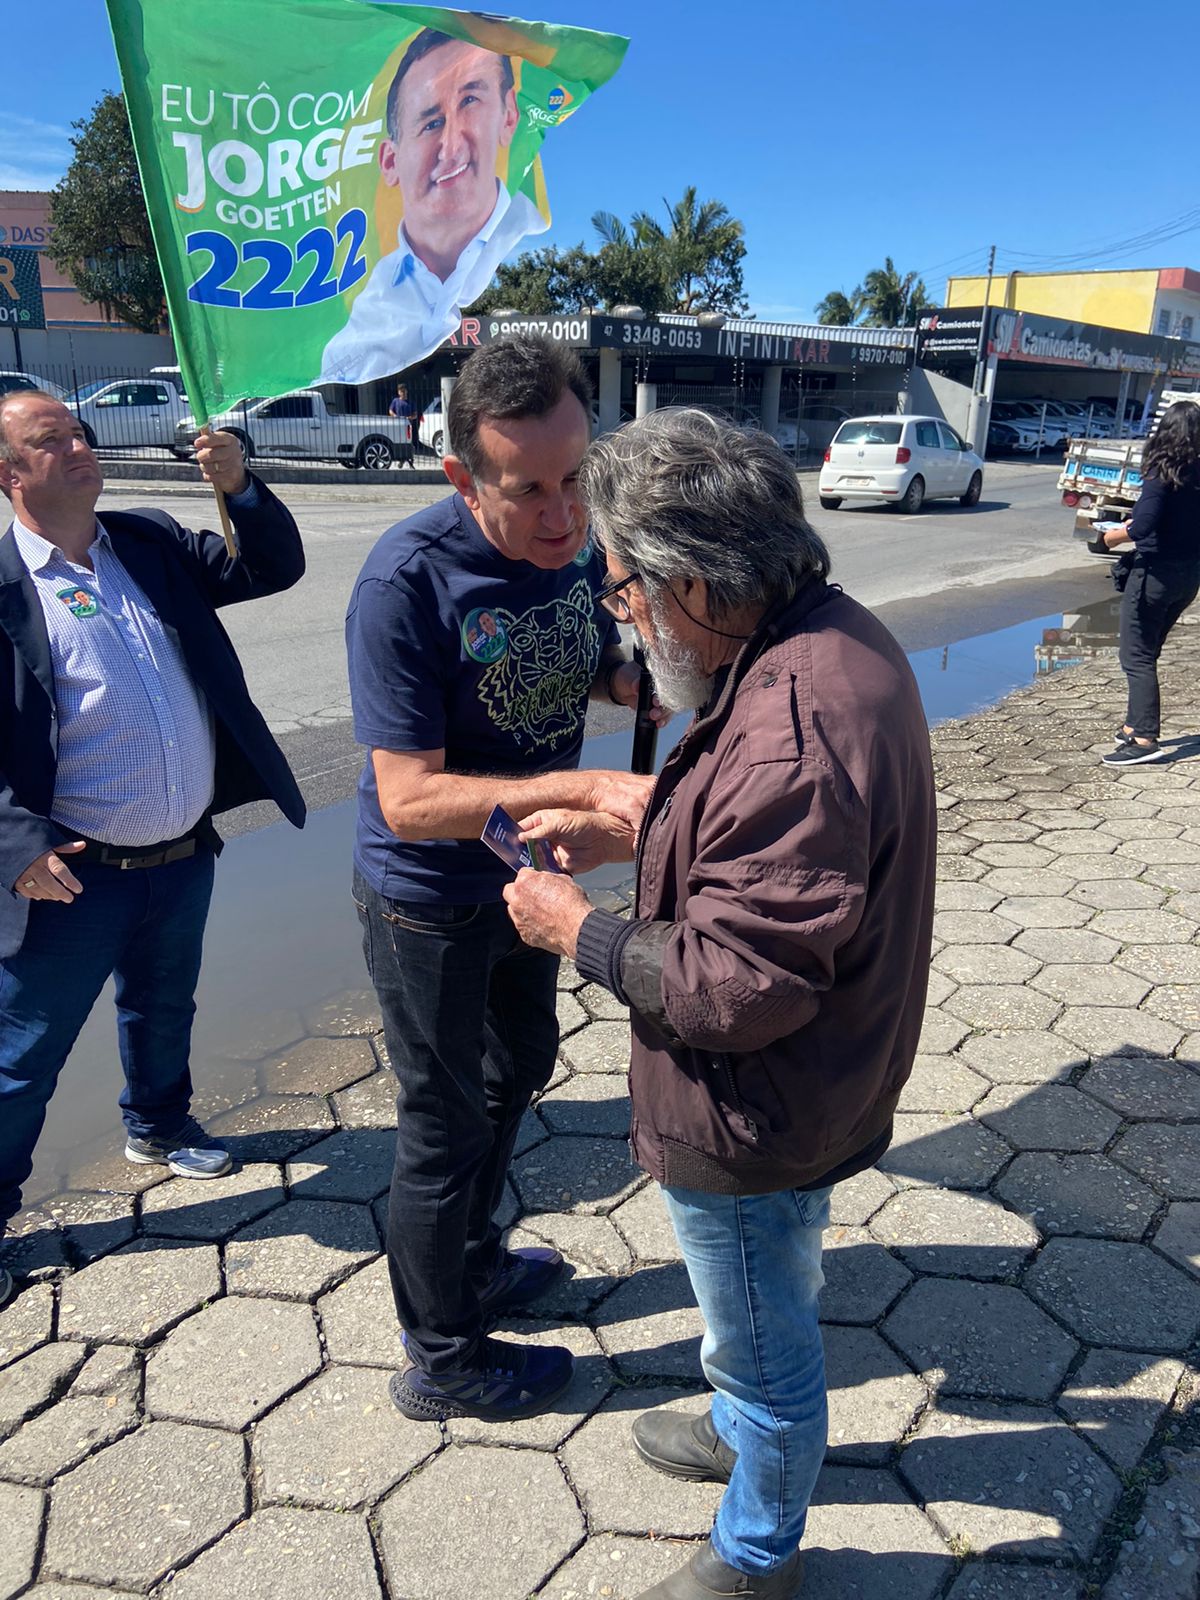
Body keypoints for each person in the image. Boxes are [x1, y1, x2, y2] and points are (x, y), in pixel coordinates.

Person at [504, 409, 937, 1600]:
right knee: (755, 1294)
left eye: (626, 581)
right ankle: (743, 1422)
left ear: (697, 578)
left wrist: (573, 927)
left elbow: (735, 986)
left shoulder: (794, 718)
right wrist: (643, 824)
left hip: (758, 1109)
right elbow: (774, 852)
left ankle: (757, 1549)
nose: (617, 602)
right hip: (812, 1080)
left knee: (767, 1337)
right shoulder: (817, 636)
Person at [346, 334, 656, 1424]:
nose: (565, 513)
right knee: (443, 1124)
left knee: (518, 1062)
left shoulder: (571, 549)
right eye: (528, 490)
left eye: (576, 478)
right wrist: (576, 786)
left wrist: (630, 675)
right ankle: (443, 1356)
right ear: (460, 479)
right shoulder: (406, 582)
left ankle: (472, 1259)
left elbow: (575, 663)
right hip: (427, 899)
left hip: (524, 880)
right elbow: (407, 799)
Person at [0, 391, 306, 1311]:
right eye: (50, 440)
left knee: (165, 1001)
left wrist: (241, 486)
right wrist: (15, 845)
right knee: (22, 1056)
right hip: (68, 878)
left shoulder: (149, 540)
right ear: (7, 473)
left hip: (179, 853)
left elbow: (270, 568)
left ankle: (160, 1126)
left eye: (80, 432)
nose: (78, 446)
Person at [319, 29, 547, 386]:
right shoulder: (362, 320)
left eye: (470, 101)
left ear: (509, 116)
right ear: (390, 161)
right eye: (431, 123)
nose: (452, 146)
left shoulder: (532, 229)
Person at [1102, 400, 1200, 766]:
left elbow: (1142, 525)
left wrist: (1113, 536)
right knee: (1148, 651)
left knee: (1136, 656)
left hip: (1154, 577)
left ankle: (1144, 739)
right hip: (1188, 577)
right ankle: (1132, 725)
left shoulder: (1162, 474)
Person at [388, 384, 416, 468]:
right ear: (398, 392)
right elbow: (390, 410)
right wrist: (395, 416)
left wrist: (409, 418)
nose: (403, 393)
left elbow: (415, 414)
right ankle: (401, 460)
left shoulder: (411, 402)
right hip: (398, 426)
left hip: (408, 426)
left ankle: (410, 461)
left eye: (404, 391)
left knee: (409, 443)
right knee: (399, 443)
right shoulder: (395, 401)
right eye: (401, 391)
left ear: (406, 391)